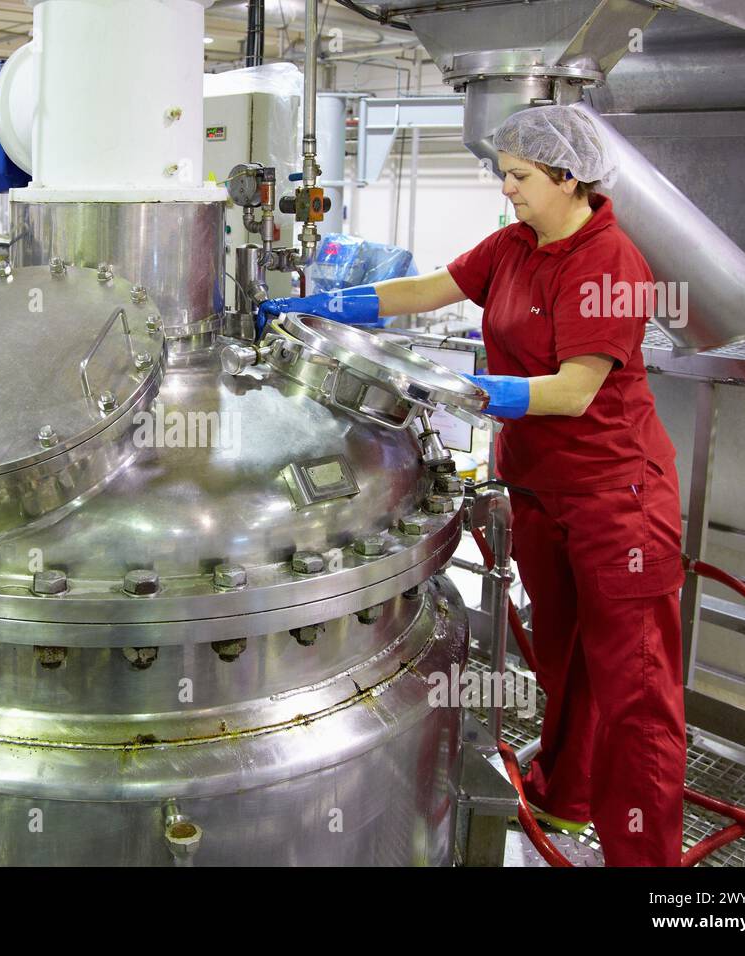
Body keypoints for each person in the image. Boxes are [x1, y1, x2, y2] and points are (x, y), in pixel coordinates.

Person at [258, 104, 685, 867]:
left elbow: (574, 392)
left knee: (635, 691)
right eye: (503, 175)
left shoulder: (611, 263)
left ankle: (645, 860)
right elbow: (431, 289)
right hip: (543, 490)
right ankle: (566, 798)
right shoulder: (517, 244)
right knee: (563, 659)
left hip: (615, 498)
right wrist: (326, 309)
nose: (507, 189)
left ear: (567, 176)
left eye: (519, 177)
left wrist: (469, 391)